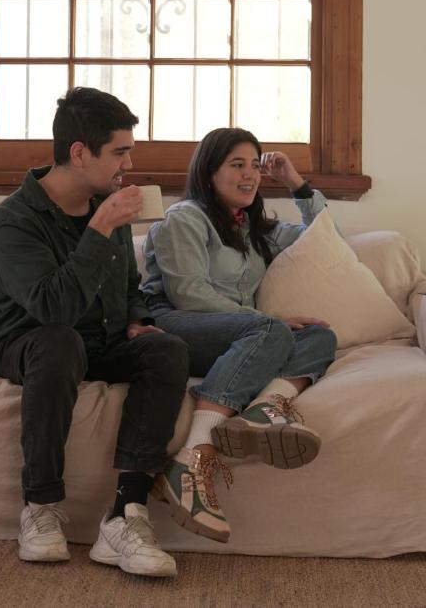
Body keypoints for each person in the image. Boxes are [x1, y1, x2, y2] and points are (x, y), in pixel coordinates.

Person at [0, 87, 189, 578]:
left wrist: (138, 320)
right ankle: (41, 507)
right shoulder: (15, 220)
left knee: (168, 351)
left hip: (102, 341)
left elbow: (130, 286)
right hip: (30, 344)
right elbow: (54, 308)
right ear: (79, 152)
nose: (128, 163)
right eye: (119, 151)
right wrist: (97, 230)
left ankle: (125, 515)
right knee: (60, 340)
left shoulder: (108, 206)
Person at [141, 127, 338, 543]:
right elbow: (189, 295)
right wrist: (264, 323)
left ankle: (262, 409)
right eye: (236, 165)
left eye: (254, 166)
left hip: (239, 337)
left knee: (320, 336)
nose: (249, 174)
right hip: (175, 324)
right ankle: (193, 456)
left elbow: (324, 238)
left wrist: (295, 182)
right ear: (209, 172)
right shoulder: (185, 218)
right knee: (271, 326)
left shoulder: (254, 227)